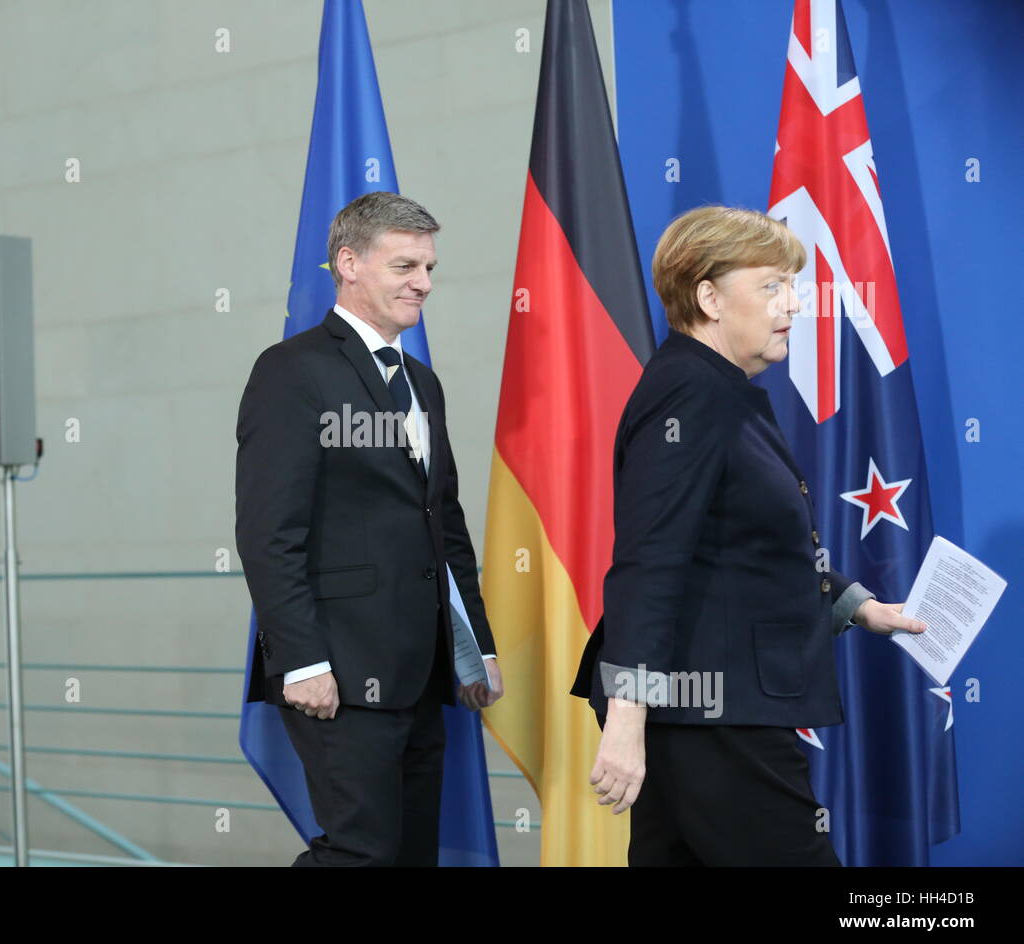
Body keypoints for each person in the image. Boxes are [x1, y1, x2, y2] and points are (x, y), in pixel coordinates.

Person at [570, 205, 926, 866]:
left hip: (707, 705)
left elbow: (740, 545)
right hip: (713, 706)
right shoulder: (691, 396)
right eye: (770, 286)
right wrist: (627, 716)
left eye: (790, 286)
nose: (792, 304)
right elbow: (651, 561)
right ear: (708, 297)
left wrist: (854, 605)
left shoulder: (716, 389)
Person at [236, 191, 503, 866]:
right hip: (339, 668)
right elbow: (270, 532)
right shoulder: (291, 371)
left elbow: (444, 523)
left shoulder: (424, 382)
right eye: (406, 265)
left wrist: (475, 647)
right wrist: (302, 660)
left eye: (430, 267)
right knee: (362, 853)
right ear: (349, 264)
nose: (425, 283)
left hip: (422, 667)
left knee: (413, 853)